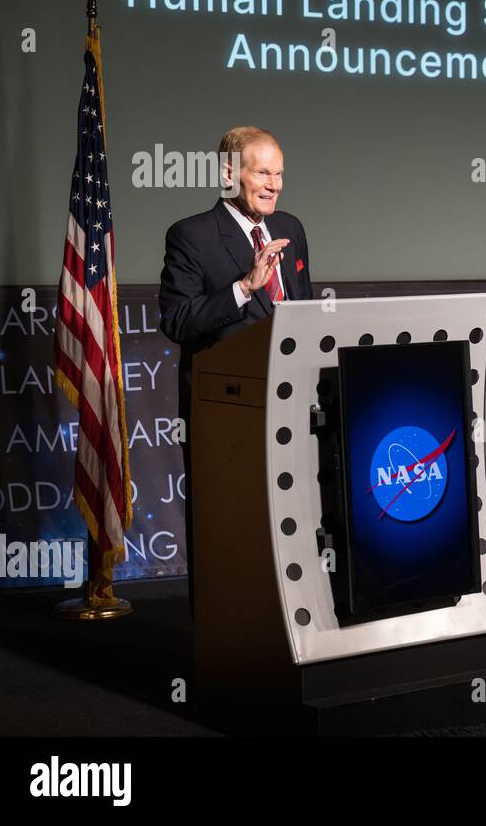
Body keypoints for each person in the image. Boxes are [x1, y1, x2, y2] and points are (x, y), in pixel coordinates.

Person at [158, 126, 312, 614]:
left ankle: (291, 622)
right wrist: (245, 287)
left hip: (293, 406)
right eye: (262, 172)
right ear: (229, 174)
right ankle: (222, 633)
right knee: (228, 530)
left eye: (280, 173)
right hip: (226, 415)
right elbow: (177, 322)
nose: (274, 184)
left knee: (292, 524)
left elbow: (303, 312)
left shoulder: (292, 226)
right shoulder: (191, 235)